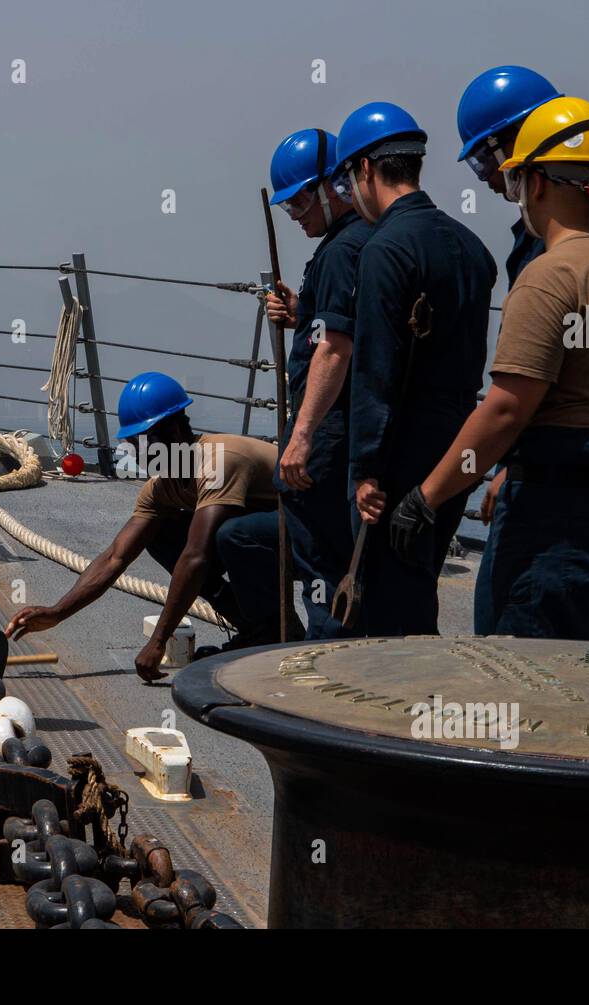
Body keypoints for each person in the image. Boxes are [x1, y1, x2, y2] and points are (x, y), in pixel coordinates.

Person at [393, 97, 589, 641]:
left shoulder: (551, 276)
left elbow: (504, 410)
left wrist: (427, 497)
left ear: (536, 182)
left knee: (524, 684)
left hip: (558, 522)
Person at [4, 372, 292, 682]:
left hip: (311, 540)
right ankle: (253, 629)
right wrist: (57, 612)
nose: (140, 453)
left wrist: (157, 642)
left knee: (228, 536)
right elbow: (115, 557)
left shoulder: (219, 461)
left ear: (177, 429)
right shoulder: (161, 488)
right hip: (260, 546)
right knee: (163, 536)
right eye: (134, 444)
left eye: (146, 441)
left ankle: (277, 632)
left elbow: (196, 556)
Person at [333, 101, 497, 636]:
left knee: (379, 599)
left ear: (363, 170)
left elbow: (375, 371)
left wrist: (365, 471)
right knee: (417, 578)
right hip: (457, 445)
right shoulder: (473, 249)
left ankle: (393, 710)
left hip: (400, 450)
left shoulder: (384, 249)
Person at [263, 127, 373, 639]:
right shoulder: (360, 243)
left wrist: (301, 437)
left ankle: (320, 661)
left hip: (325, 436)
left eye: (301, 199)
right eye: (288, 207)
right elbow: (338, 327)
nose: (296, 213)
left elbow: (337, 347)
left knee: (321, 571)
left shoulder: (339, 252)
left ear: (334, 186)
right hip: (346, 432)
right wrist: (302, 314)